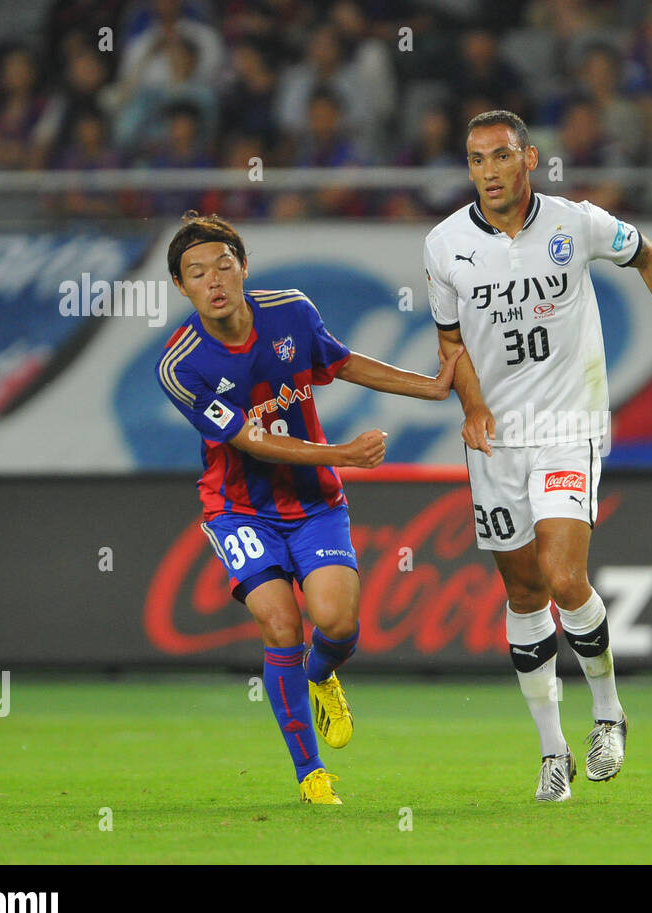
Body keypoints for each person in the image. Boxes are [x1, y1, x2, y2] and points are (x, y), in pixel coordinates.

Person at [423, 110, 652, 802]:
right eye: (476, 160)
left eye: (500, 156)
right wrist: (474, 408)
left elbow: (649, 256)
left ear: (530, 159)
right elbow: (450, 346)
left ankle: (608, 711)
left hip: (567, 423)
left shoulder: (574, 223)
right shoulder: (444, 245)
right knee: (523, 591)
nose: (488, 172)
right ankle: (553, 751)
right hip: (494, 439)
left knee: (561, 573)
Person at [157, 211, 461, 803]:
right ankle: (310, 774)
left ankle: (321, 674)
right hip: (238, 509)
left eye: (223, 264)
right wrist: (342, 453)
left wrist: (427, 386)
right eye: (197, 273)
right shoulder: (181, 366)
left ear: (243, 267)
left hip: (315, 504)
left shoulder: (291, 310)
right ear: (181, 287)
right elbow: (249, 439)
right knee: (280, 623)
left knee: (339, 625)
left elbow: (341, 362)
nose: (214, 279)